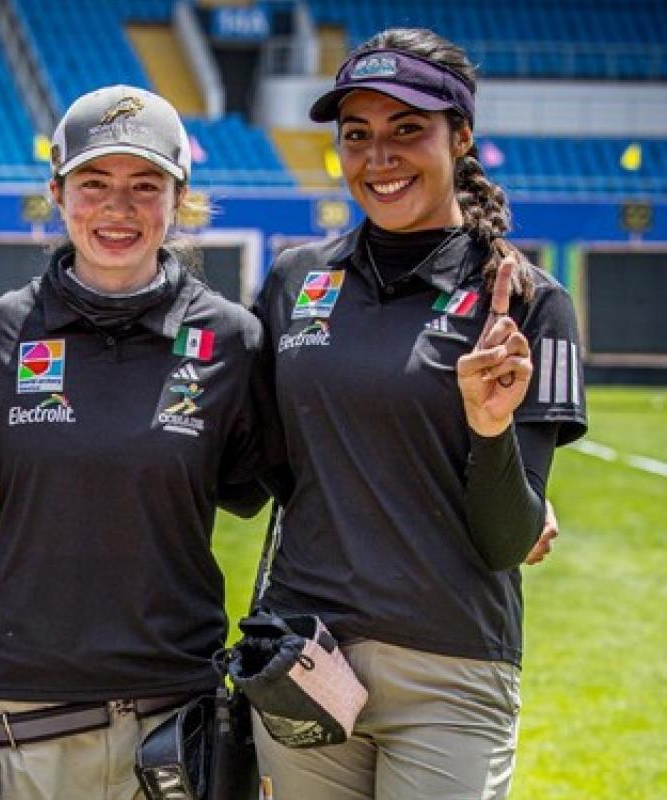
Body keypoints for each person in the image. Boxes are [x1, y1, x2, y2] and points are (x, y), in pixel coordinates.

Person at [248, 28, 588, 799]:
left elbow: (507, 538)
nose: (379, 158)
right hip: (306, 655)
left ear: (461, 136)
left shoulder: (529, 302)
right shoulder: (295, 280)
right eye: (357, 135)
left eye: (408, 130)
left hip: (451, 667)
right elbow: (246, 464)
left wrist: (490, 428)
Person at [0, 85, 273, 799]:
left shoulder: (232, 340)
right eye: (94, 183)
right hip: (16, 707)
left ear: (179, 197)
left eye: (145, 185)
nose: (118, 209)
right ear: (57, 192)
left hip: (171, 710)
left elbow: (267, 488)